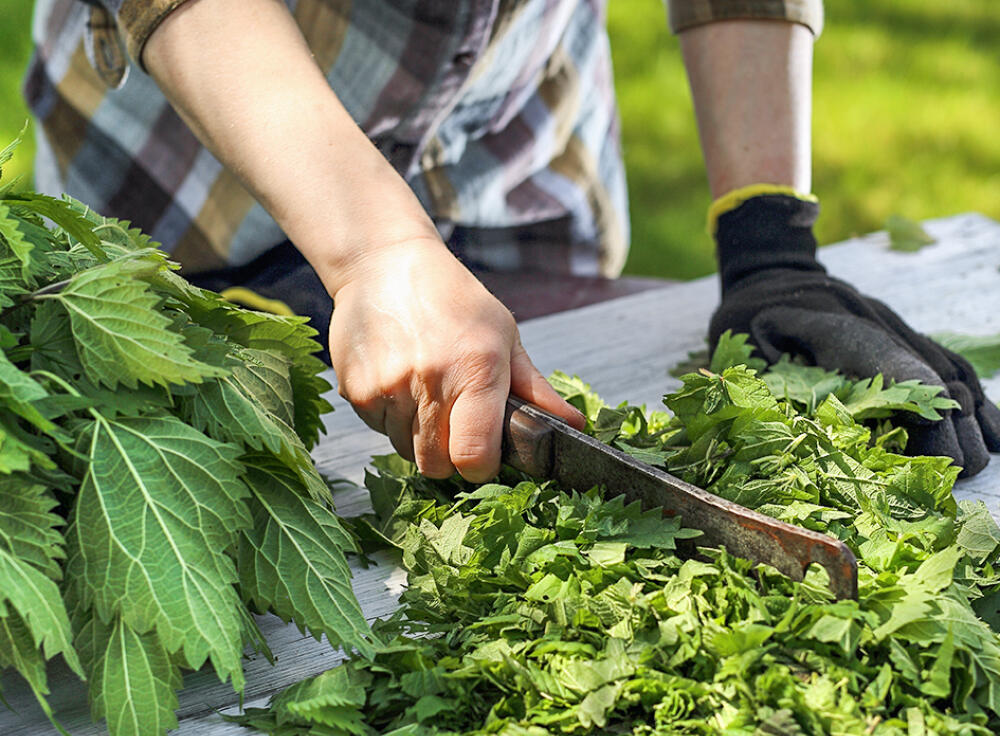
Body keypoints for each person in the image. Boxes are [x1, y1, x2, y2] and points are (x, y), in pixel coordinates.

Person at [24, 0, 1000, 483]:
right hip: (202, 155)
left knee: (519, 427)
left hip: (514, 139)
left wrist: (767, 238)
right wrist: (372, 252)